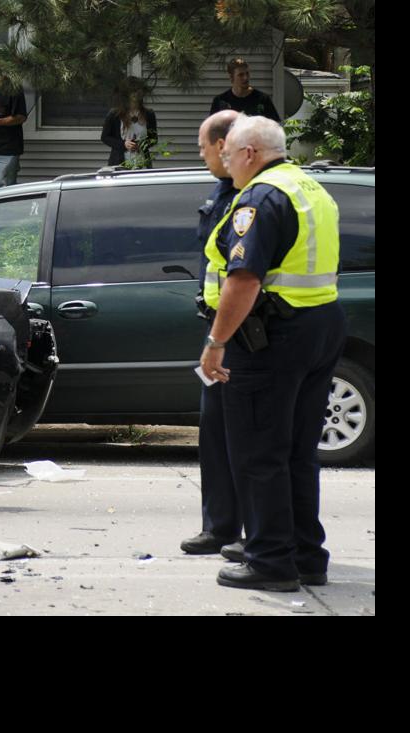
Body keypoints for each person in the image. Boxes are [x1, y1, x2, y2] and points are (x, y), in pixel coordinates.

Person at [197, 115, 345, 592]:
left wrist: (216, 343)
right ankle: (304, 554)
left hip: (272, 336)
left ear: (249, 153)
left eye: (227, 156)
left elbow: (244, 278)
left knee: (260, 451)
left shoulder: (261, 197)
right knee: (298, 452)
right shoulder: (311, 188)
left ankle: (269, 561)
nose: (225, 165)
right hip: (318, 327)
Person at [179, 110, 245, 560]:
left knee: (247, 438)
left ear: (223, 146)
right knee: (216, 434)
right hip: (219, 326)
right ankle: (219, 527)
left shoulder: (251, 196)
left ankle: (255, 534)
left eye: (203, 147)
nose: (201, 156)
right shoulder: (223, 192)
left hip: (243, 333)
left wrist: (221, 336)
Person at [100, 86, 158, 169]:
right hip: (119, 163)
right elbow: (105, 137)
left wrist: (142, 145)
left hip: (142, 163)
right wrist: (124, 144)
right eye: (132, 91)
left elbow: (154, 139)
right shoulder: (114, 114)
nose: (135, 93)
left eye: (137, 90)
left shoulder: (149, 114)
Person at [209, 58, 281, 122]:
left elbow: (275, 128)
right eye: (241, 75)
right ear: (231, 77)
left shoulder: (263, 99)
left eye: (247, 73)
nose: (246, 78)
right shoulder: (220, 101)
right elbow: (212, 130)